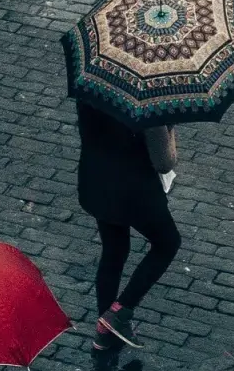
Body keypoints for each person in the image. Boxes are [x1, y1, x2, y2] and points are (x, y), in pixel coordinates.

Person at [76, 102, 182, 350]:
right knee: (167, 243)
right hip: (134, 190)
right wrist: (170, 125)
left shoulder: (92, 89)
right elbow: (164, 161)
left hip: (98, 179)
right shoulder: (149, 104)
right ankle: (120, 312)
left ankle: (104, 332)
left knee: (114, 250)